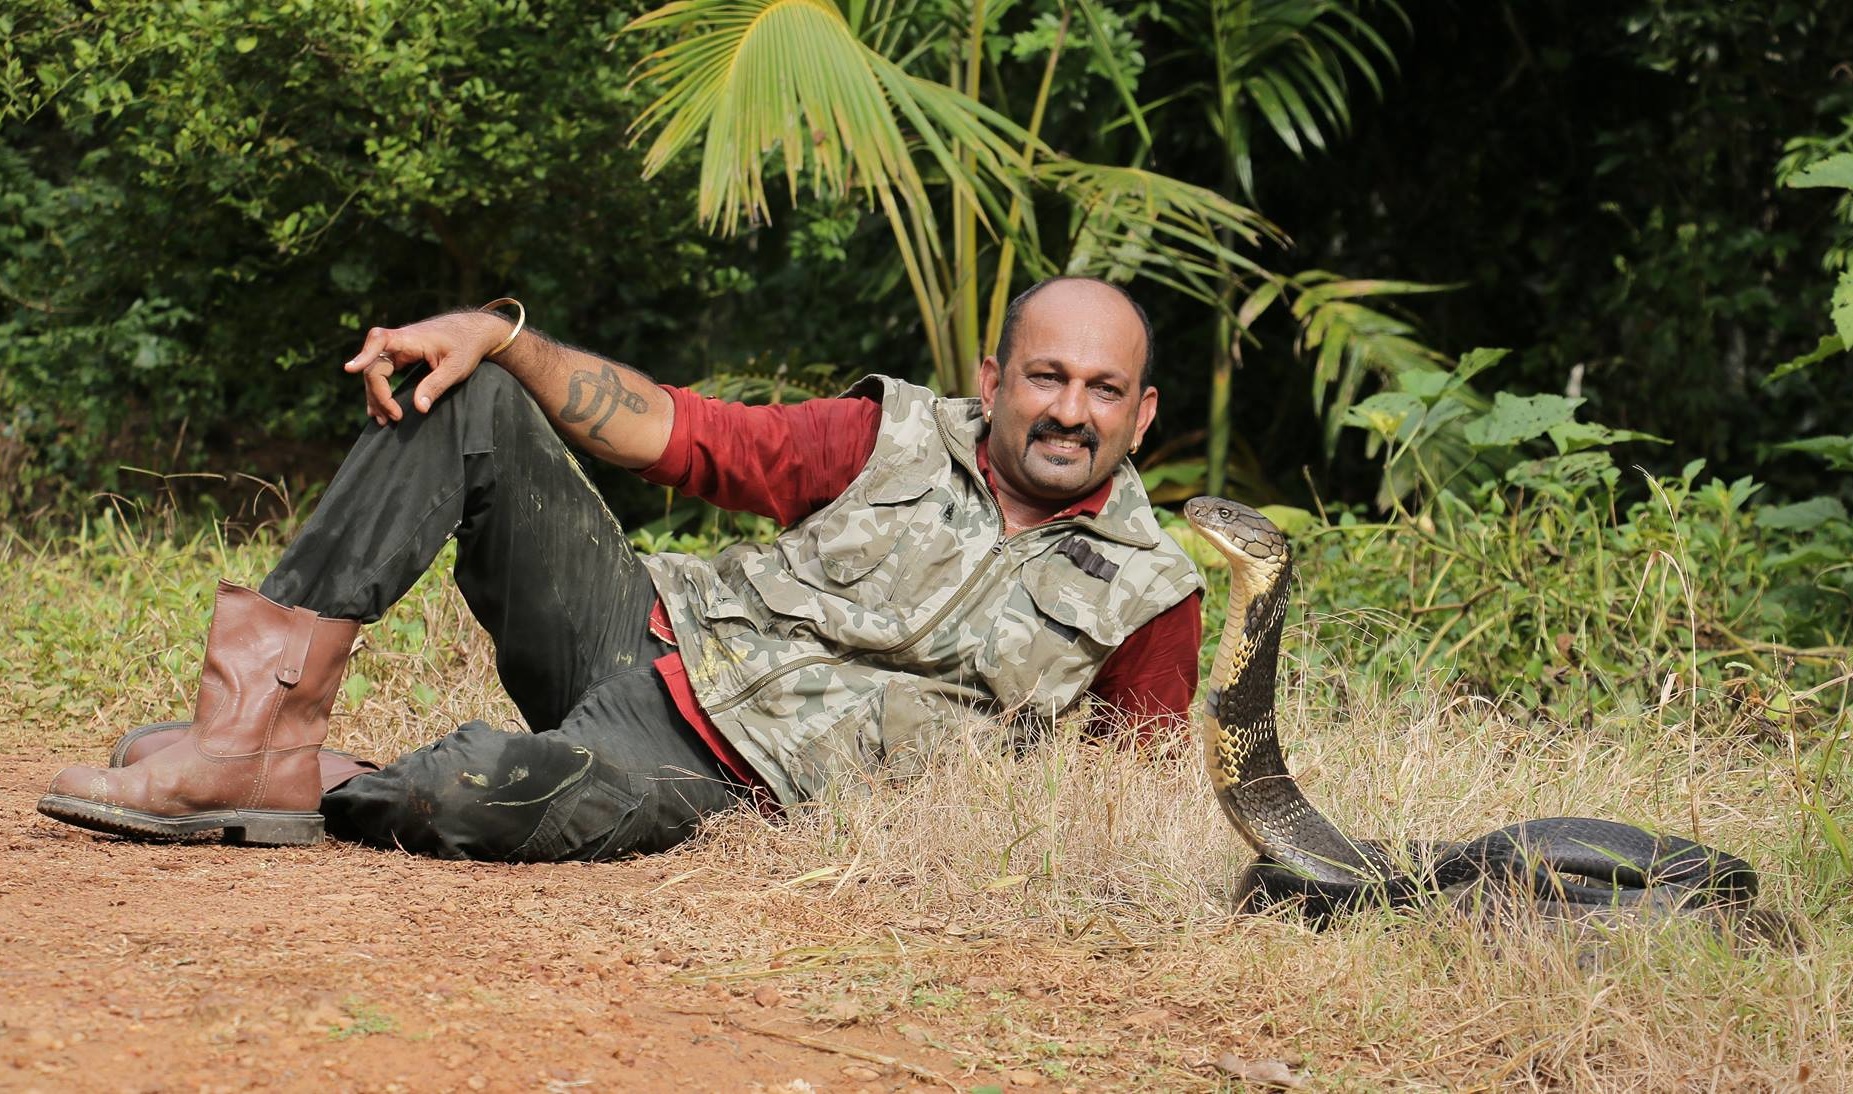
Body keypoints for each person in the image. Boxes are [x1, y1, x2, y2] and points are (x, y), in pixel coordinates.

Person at [37, 276, 1204, 861]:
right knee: (479, 395)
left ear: (1140, 414)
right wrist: (494, 334)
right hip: (638, 635)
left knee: (466, 787)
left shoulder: (1147, 591)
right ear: (993, 376)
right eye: (1046, 376)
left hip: (734, 788)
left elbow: (1114, 802)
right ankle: (247, 739)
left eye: (1102, 389)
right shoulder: (889, 434)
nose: (1069, 409)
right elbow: (681, 431)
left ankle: (310, 780)